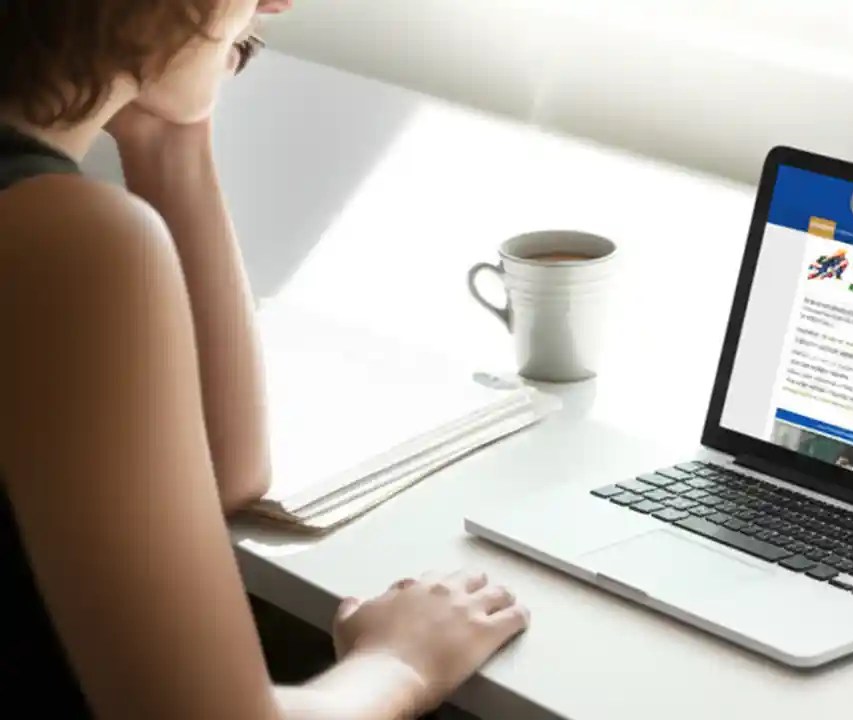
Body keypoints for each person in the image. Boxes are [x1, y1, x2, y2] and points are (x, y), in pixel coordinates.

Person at [0, 1, 529, 718]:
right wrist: (401, 663)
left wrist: (174, 136)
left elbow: (223, 470)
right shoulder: (63, 240)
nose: (279, 1)